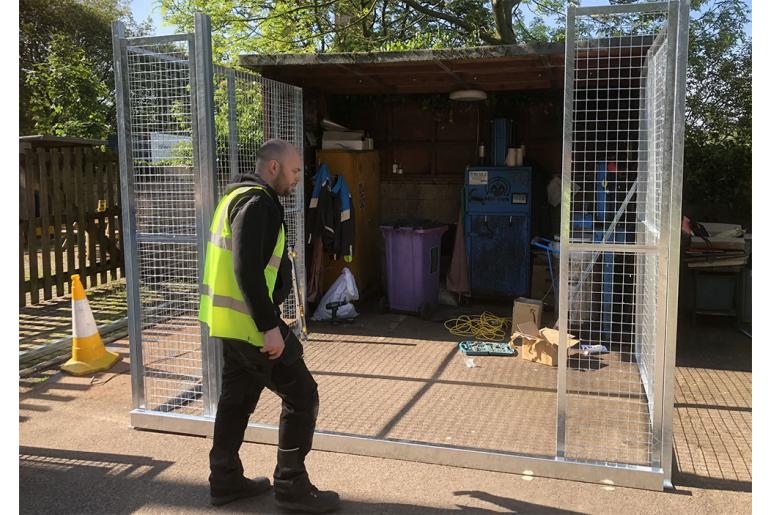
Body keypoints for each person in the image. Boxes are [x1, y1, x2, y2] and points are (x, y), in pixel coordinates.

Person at [199, 139, 340, 513]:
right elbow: (245, 268)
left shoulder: (234, 197)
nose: (298, 180)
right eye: (295, 172)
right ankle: (292, 486)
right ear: (274, 168)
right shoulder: (258, 202)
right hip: (252, 326)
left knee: (237, 399)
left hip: (229, 323)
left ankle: (225, 480)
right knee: (302, 395)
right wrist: (270, 327)